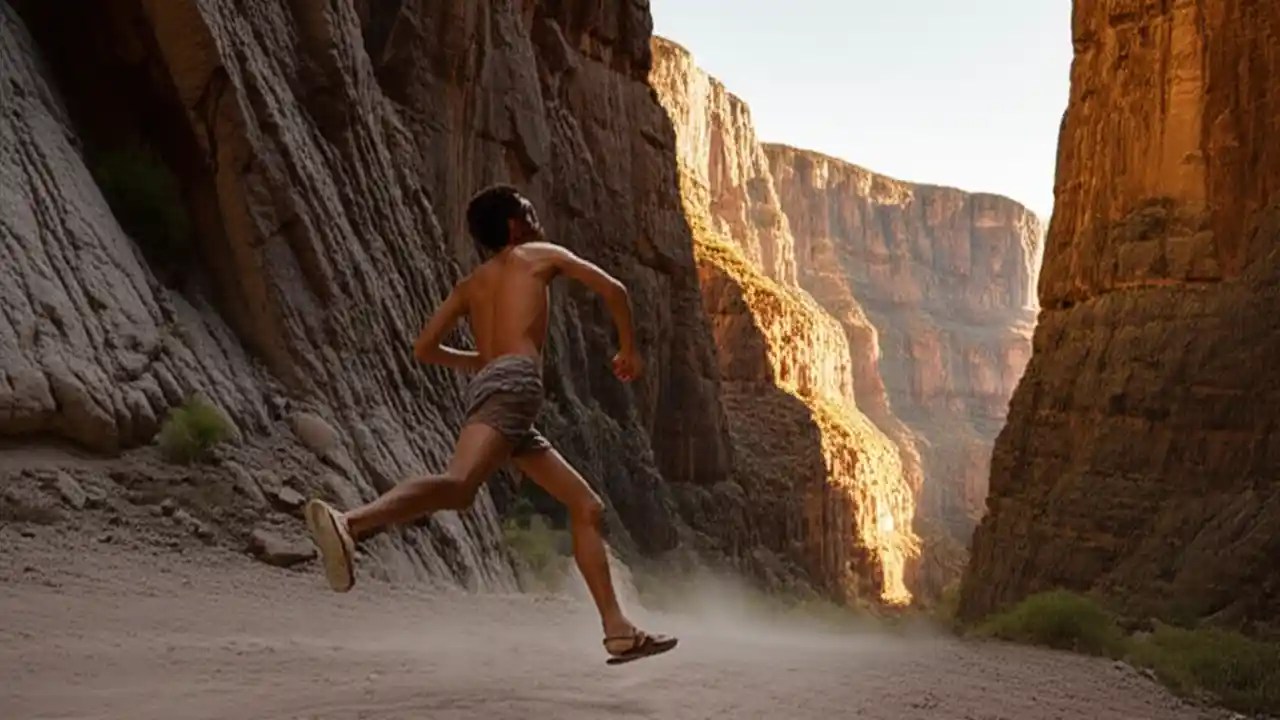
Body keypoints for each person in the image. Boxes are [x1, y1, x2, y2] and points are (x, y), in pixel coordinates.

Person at [304, 184, 677, 665]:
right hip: (516, 386)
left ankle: (618, 630)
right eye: (529, 211)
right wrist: (628, 349)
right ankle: (350, 523)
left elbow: (425, 349)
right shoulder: (537, 254)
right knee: (459, 487)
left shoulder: (470, 286)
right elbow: (615, 290)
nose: (537, 217)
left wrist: (485, 360)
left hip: (492, 386)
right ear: (514, 227)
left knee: (585, 505)